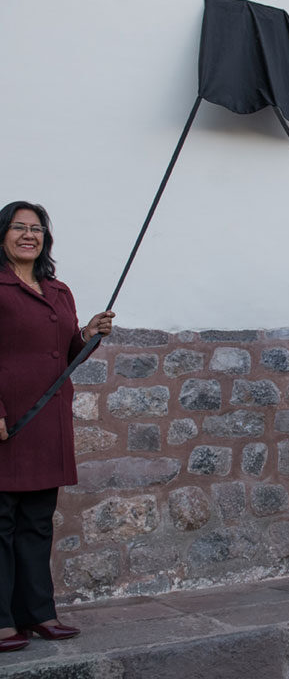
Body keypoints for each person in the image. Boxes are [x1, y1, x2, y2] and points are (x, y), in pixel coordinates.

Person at [0, 201, 114, 653]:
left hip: (47, 419)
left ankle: (38, 613)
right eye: (18, 228)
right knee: (1, 521)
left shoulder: (58, 290)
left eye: (37, 229)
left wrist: (87, 335)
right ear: (2, 235)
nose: (29, 235)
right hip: (9, 419)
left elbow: (66, 354)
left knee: (37, 522)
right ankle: (3, 620)